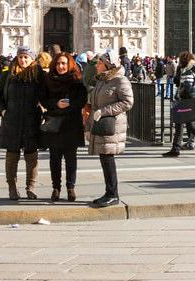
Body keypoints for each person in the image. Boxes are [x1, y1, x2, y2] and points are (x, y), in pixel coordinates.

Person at [0, 48, 44, 201]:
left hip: (32, 120)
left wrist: (44, 107)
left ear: (32, 59)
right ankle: (12, 188)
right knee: (12, 156)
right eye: (20, 57)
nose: (23, 60)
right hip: (12, 120)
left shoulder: (39, 74)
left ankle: (31, 187)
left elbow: (47, 93)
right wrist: (2, 111)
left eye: (26, 57)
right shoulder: (9, 74)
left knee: (31, 156)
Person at [86, 51, 133, 208]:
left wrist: (104, 111)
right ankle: (109, 193)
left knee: (108, 159)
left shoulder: (120, 80)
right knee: (105, 158)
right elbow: (94, 105)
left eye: (100, 63)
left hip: (111, 125)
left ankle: (113, 194)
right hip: (101, 123)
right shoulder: (102, 80)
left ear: (108, 65)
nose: (97, 65)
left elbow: (127, 102)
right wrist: (89, 126)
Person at [40, 52, 87, 203]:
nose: (60, 66)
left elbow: (82, 100)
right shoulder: (49, 80)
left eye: (64, 63)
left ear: (69, 65)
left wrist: (69, 105)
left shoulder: (76, 80)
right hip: (54, 123)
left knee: (71, 158)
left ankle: (70, 187)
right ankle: (56, 188)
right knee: (54, 158)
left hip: (71, 124)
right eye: (58, 63)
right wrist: (56, 104)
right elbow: (43, 99)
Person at [164, 52, 195, 157]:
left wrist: (179, 96)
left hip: (185, 101)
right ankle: (175, 149)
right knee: (181, 125)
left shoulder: (188, 70)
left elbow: (187, 87)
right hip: (190, 100)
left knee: (190, 126)